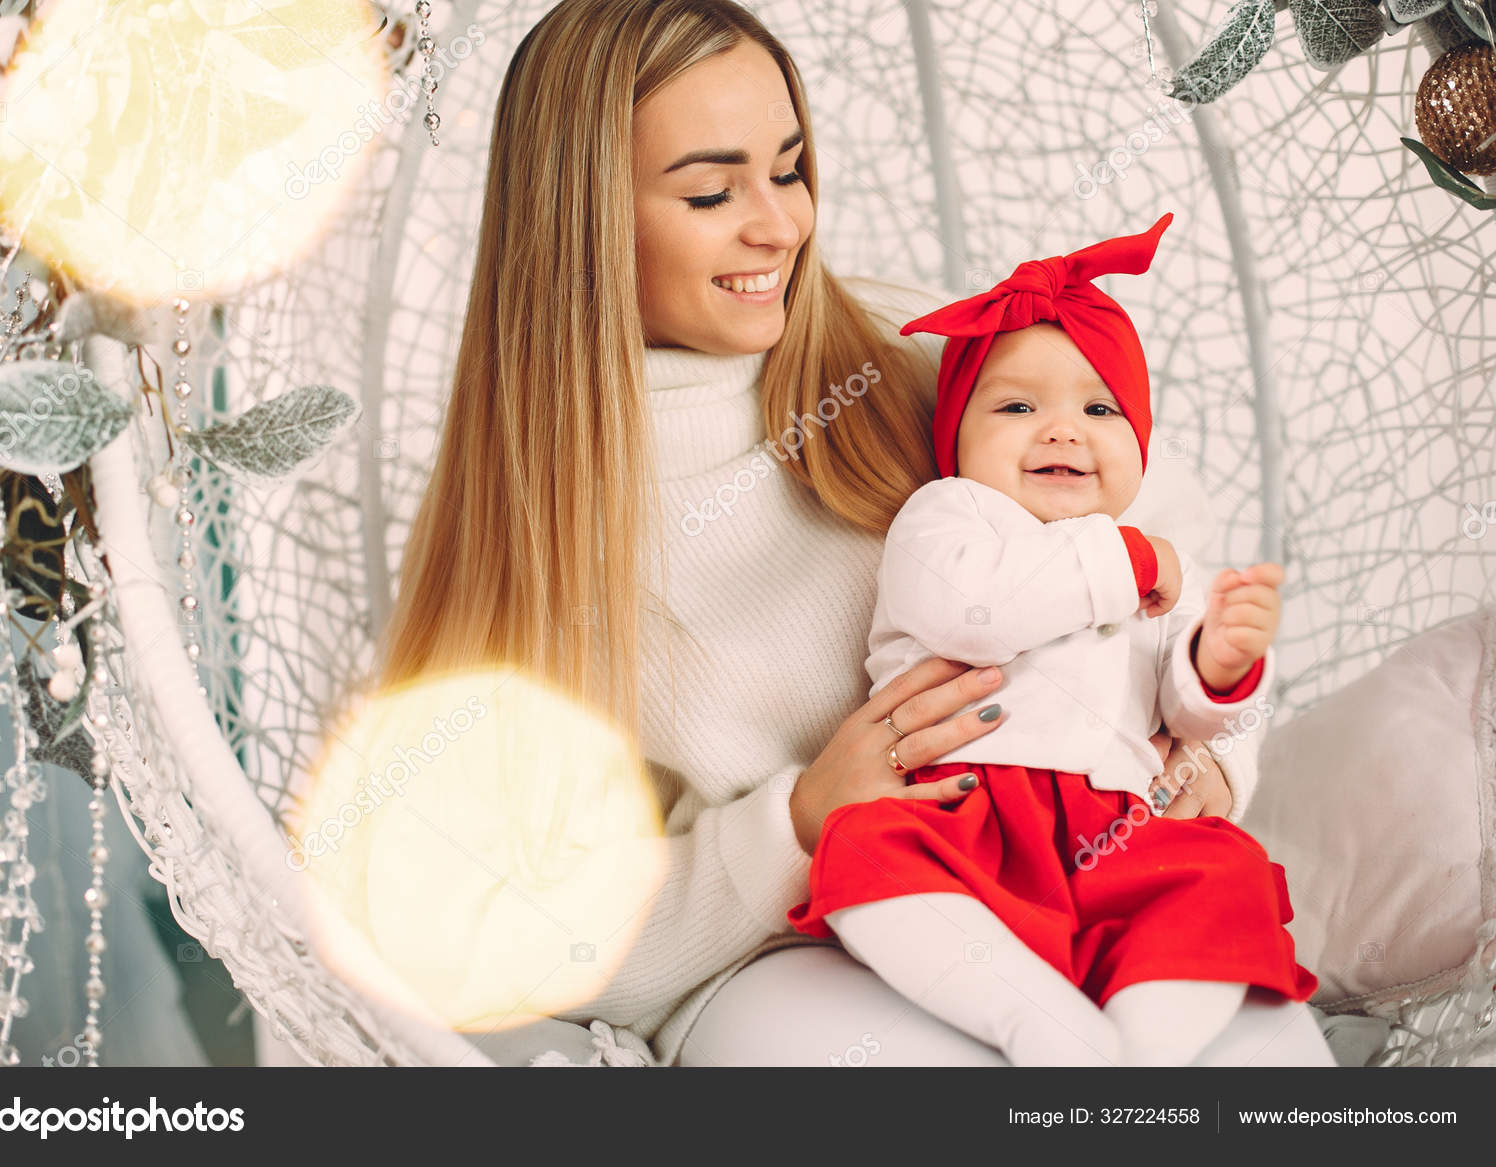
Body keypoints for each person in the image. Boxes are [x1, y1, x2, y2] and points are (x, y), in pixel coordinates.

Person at [378, 0, 1335, 1067]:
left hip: (1091, 860)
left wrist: (1211, 764)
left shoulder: (912, 349)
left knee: (1259, 1056)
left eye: (788, 169)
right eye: (710, 190)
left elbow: (1172, 562)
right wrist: (795, 821)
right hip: (797, 950)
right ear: (584, 217)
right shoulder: (536, 540)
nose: (780, 226)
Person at [784, 212, 1319, 1066]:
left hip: (1119, 828)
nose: (1062, 429)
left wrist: (1214, 667)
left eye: (1099, 408)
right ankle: (1038, 1020)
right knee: (863, 851)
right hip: (969, 817)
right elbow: (974, 612)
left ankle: (1146, 1044)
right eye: (1018, 405)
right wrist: (1128, 558)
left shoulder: (1151, 553)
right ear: (957, 440)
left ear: (1139, 450)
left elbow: (1179, 712)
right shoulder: (951, 517)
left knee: (1228, 874)